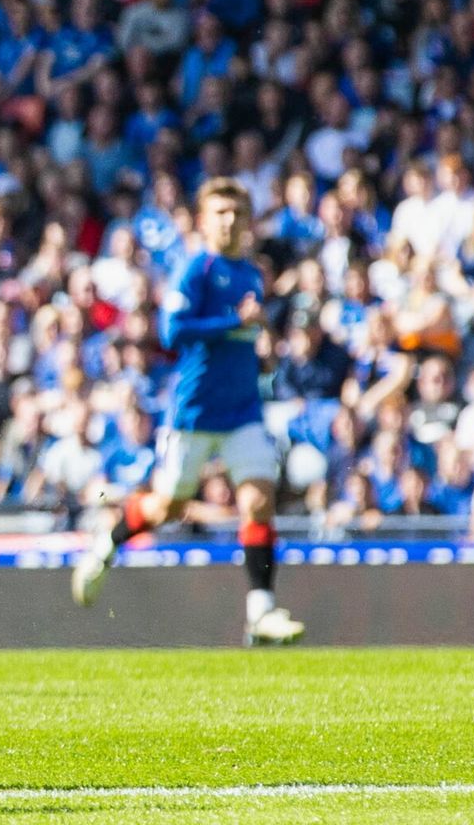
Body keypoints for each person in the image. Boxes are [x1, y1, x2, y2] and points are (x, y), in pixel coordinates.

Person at [70, 178, 306, 646]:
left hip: (242, 411)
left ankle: (261, 611)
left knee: (258, 501)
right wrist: (233, 324)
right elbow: (172, 331)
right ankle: (107, 540)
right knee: (169, 505)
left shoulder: (250, 274)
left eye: (236, 212)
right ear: (203, 220)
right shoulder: (194, 270)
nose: (229, 220)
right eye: (220, 212)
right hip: (194, 414)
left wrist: (260, 346)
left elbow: (241, 336)